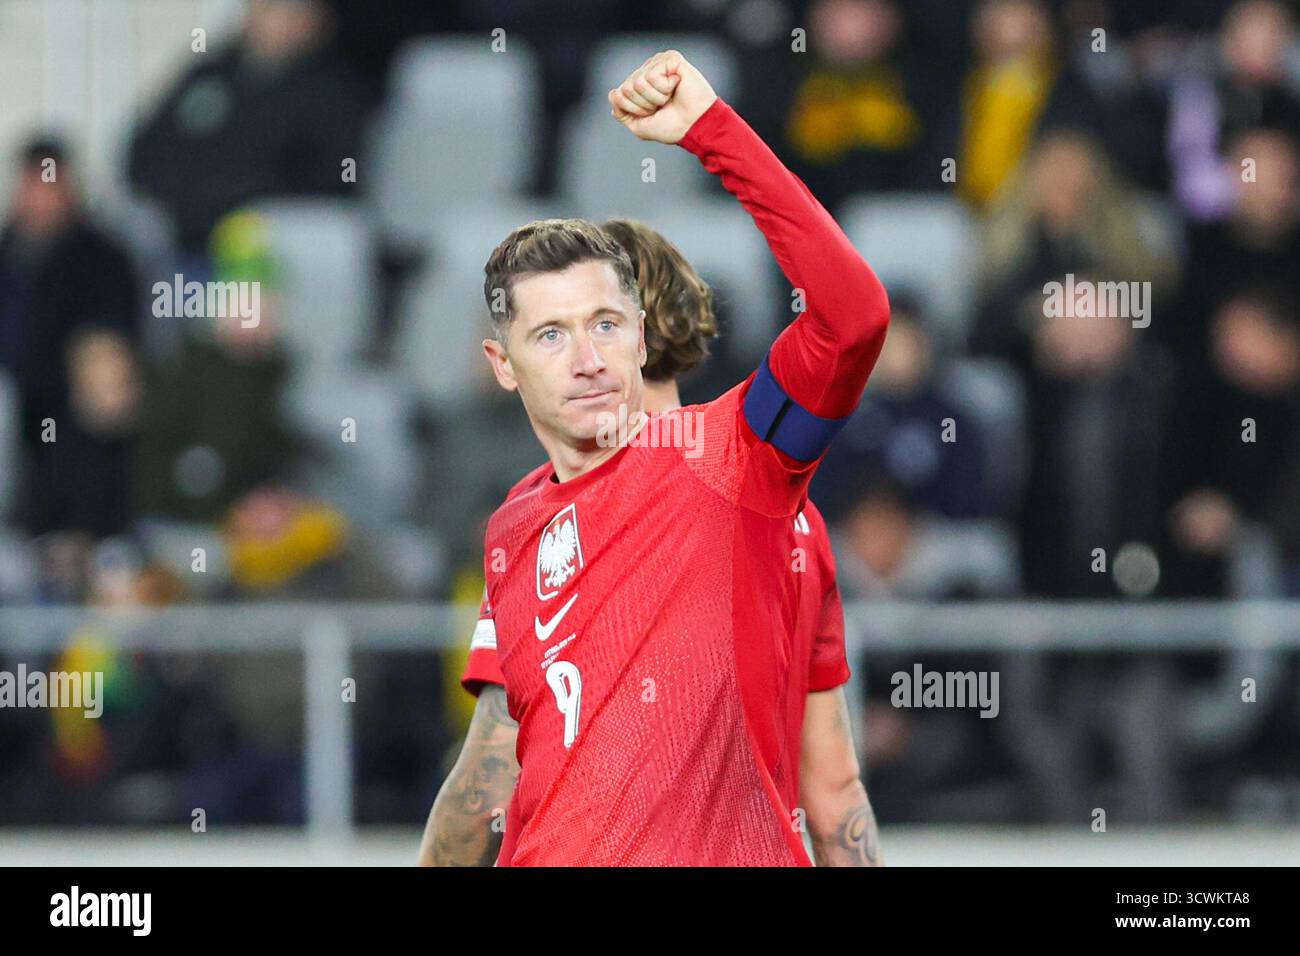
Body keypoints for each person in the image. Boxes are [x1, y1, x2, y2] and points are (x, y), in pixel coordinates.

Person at [424, 50, 889, 866]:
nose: (588, 358)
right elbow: (488, 772)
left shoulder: (731, 459)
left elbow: (852, 318)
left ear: (641, 337)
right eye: (550, 335)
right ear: (503, 366)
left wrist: (716, 135)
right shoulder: (512, 528)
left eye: (606, 325)